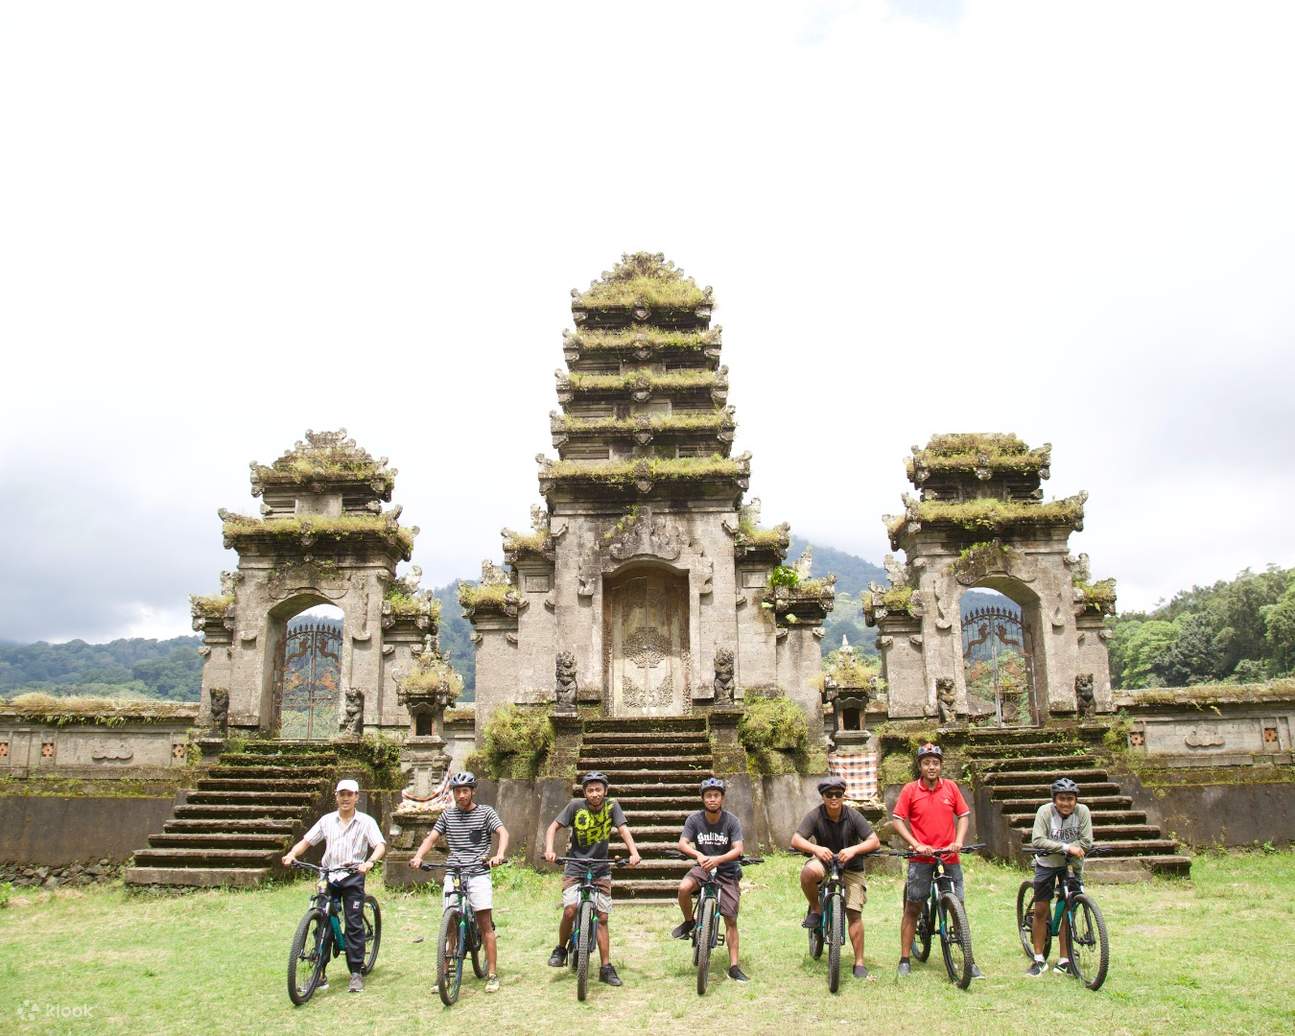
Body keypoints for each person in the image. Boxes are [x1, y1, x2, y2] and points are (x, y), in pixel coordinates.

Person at [282, 778, 386, 993]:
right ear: (336, 797)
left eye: (350, 794)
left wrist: (369, 862)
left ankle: (356, 972)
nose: (345, 798)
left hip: (353, 875)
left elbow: (380, 845)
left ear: (357, 797)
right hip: (328, 874)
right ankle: (319, 971)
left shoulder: (366, 821)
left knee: (353, 923)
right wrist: (292, 853)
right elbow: (307, 841)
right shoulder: (326, 821)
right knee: (321, 920)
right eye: (342, 794)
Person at [409, 771, 510, 993]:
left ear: (473, 791)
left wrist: (499, 854)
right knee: (450, 925)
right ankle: (443, 972)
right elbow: (431, 838)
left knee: (485, 925)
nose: (461, 795)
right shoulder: (447, 815)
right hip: (453, 872)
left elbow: (503, 832)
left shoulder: (485, 813)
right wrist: (418, 856)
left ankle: (492, 974)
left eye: (465, 791)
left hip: (478, 871)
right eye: (457, 791)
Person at [891, 742, 983, 979]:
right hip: (922, 857)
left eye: (935, 763)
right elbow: (898, 820)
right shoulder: (910, 790)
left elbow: (963, 815)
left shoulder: (951, 788)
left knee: (957, 906)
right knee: (913, 906)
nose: (931, 767)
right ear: (920, 766)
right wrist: (915, 843)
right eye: (926, 763)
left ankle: (969, 960)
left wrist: (959, 840)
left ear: (941, 766)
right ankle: (904, 958)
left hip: (949, 855)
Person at [543, 771, 641, 987]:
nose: (594, 794)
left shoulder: (612, 806)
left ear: (605, 791)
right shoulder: (575, 806)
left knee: (602, 917)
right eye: (590, 790)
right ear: (584, 792)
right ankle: (560, 948)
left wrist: (633, 852)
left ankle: (606, 967)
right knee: (570, 909)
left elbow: (623, 830)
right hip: (575, 865)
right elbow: (553, 827)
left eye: (598, 789)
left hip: (601, 868)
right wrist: (550, 850)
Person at [789, 775, 881, 980]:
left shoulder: (853, 815)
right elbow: (796, 839)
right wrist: (816, 848)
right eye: (829, 794)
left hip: (852, 867)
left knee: (854, 913)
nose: (833, 798)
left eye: (838, 794)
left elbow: (874, 841)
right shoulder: (815, 815)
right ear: (822, 796)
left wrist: (854, 849)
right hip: (825, 862)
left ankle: (859, 962)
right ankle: (816, 908)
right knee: (808, 873)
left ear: (843, 796)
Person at [672, 777, 750, 982]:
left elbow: (738, 849)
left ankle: (734, 966)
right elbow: (682, 843)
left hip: (726, 870)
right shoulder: (694, 820)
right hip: (703, 867)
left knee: (731, 919)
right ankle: (690, 922)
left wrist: (718, 860)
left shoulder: (731, 820)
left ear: (722, 798)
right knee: (683, 888)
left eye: (716, 795)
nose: (712, 799)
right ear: (703, 799)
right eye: (708, 796)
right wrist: (698, 855)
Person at [1026, 777, 1094, 977]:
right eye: (1062, 798)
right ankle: (1038, 958)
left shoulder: (1083, 812)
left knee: (1068, 909)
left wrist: (1075, 851)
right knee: (1041, 909)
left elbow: (1086, 840)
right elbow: (1038, 839)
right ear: (1054, 799)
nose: (1066, 803)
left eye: (1070, 799)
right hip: (1047, 863)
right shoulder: (1045, 812)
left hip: (1070, 865)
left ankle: (1065, 958)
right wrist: (1066, 847)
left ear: (1076, 800)